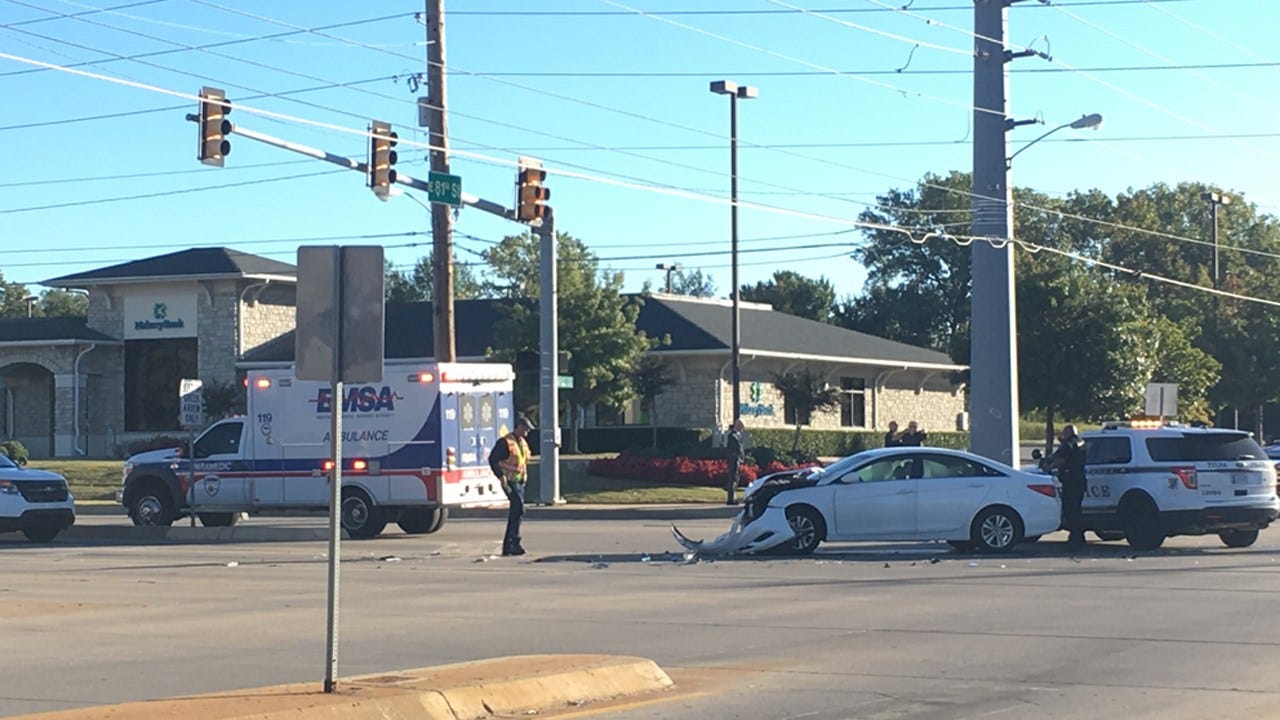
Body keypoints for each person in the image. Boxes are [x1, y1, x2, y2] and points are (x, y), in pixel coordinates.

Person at [488, 414, 534, 556]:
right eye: (525, 429)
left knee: (517, 511)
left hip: (519, 482)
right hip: (508, 481)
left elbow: (522, 462)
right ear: (519, 427)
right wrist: (500, 476)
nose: (527, 432)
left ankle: (511, 545)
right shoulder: (505, 442)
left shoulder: (522, 442)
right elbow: (493, 459)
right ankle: (512, 542)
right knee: (518, 508)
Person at [1041, 424, 1087, 549]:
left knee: (1070, 510)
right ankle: (1078, 537)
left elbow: (1061, 460)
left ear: (1068, 433)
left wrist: (1048, 467)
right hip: (1080, 480)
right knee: (1076, 509)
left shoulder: (1067, 445)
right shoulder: (1081, 443)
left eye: (1064, 433)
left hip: (1071, 481)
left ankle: (1076, 538)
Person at [725, 418, 746, 505]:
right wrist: (735, 457)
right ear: (737, 425)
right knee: (733, 478)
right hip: (733, 459)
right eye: (741, 426)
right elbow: (731, 449)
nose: (742, 429)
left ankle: (734, 497)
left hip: (738, 459)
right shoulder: (732, 435)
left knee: (736, 478)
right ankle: (731, 498)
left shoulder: (738, 435)